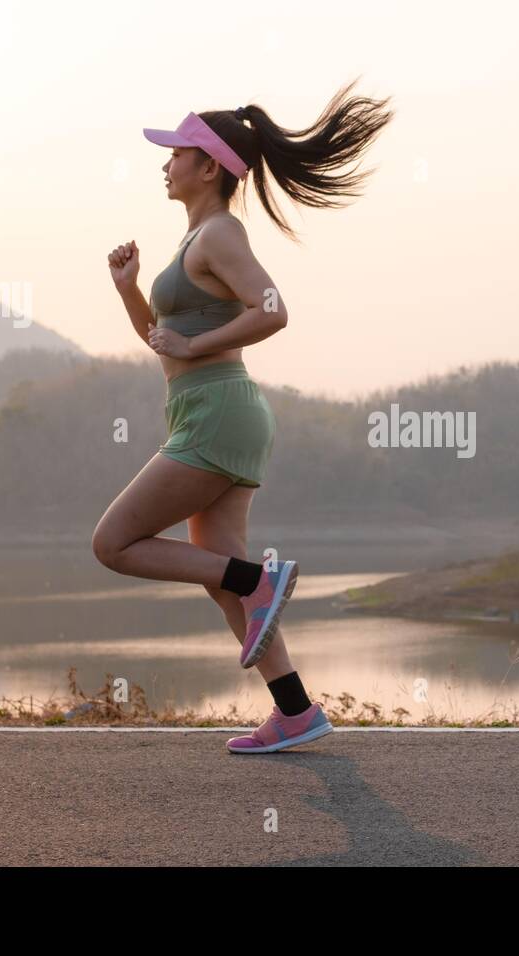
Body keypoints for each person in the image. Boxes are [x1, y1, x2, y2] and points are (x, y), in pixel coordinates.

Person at [94, 79, 393, 753]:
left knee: (112, 544)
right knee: (221, 577)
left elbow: (274, 309)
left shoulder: (221, 232)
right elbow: (162, 345)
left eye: (176, 153)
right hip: (208, 410)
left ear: (208, 166)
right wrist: (130, 290)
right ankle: (294, 711)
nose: (163, 163)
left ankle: (259, 579)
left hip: (218, 413)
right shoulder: (195, 238)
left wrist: (196, 344)